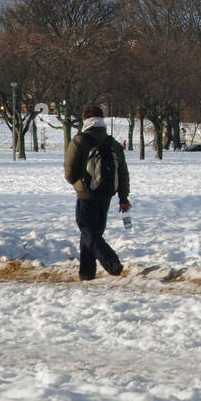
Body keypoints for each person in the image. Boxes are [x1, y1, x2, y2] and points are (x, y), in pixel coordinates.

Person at [63, 103, 130, 281]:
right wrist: (123, 197)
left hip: (86, 194)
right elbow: (123, 172)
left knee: (87, 230)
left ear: (86, 120)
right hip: (107, 194)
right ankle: (86, 273)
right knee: (92, 233)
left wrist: (80, 184)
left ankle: (111, 261)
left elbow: (69, 173)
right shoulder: (113, 143)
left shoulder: (79, 140)